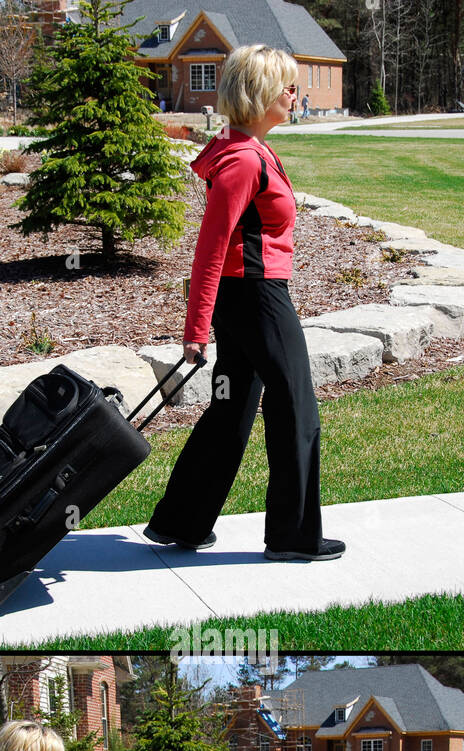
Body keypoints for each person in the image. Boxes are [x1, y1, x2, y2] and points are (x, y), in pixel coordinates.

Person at [143, 44, 345, 564]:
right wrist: (195, 328)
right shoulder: (241, 160)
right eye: (288, 86)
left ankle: (181, 523)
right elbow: (210, 247)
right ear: (261, 93)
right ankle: (293, 535)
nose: (295, 94)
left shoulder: (245, 147)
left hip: (245, 296)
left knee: (232, 409)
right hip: (256, 297)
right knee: (296, 405)